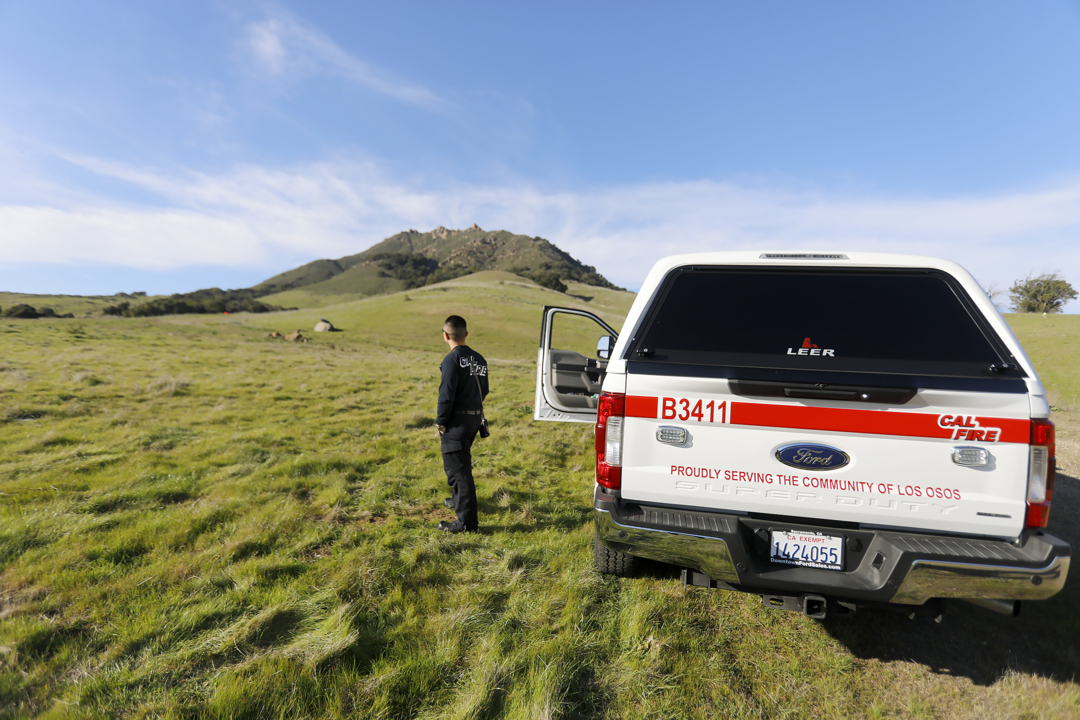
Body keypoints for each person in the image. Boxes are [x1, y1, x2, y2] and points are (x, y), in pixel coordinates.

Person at [435, 315, 489, 533]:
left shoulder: (451, 360)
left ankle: (467, 523)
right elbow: (484, 390)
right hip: (474, 419)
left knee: (459, 471)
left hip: (456, 422)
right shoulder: (480, 359)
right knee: (461, 467)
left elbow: (446, 395)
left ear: (445, 336)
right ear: (466, 334)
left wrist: (441, 422)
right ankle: (459, 501)